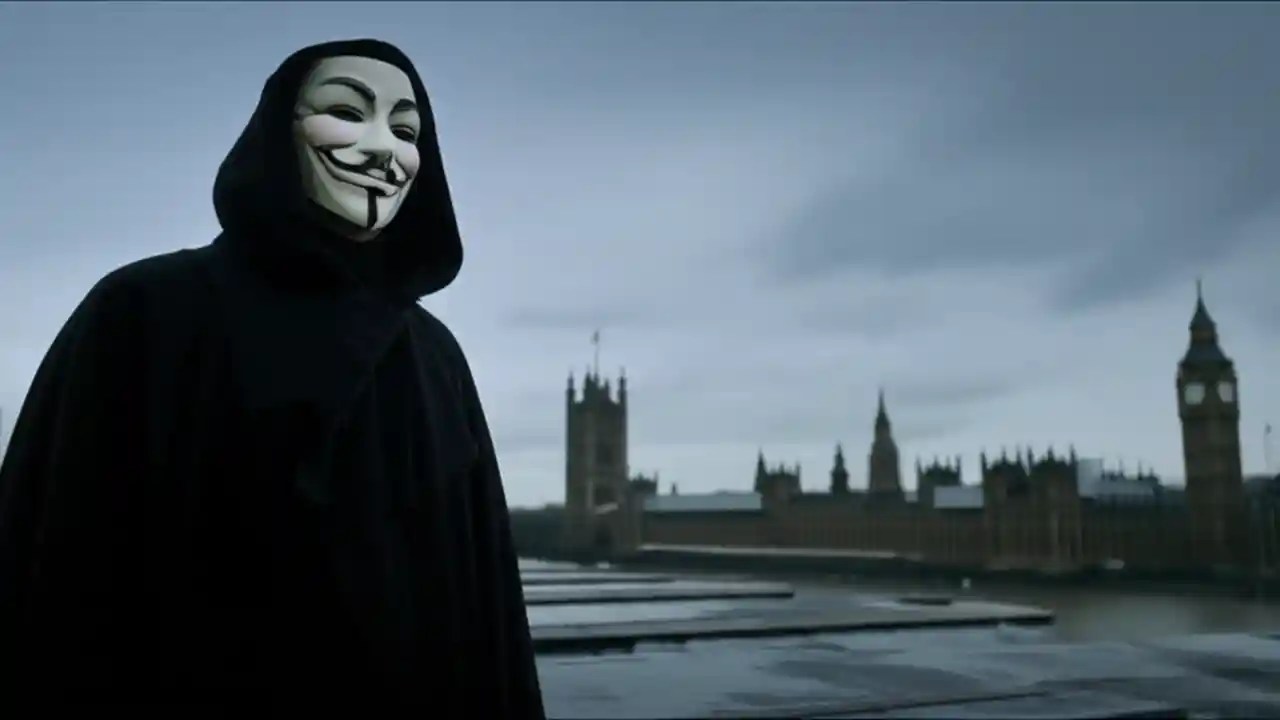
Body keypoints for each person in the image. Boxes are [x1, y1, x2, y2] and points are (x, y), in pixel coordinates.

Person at [0, 38, 545, 712]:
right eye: (347, 111)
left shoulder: (434, 356)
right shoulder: (144, 311)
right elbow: (53, 571)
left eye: (406, 130)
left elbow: (485, 612)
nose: (384, 149)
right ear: (274, 134)